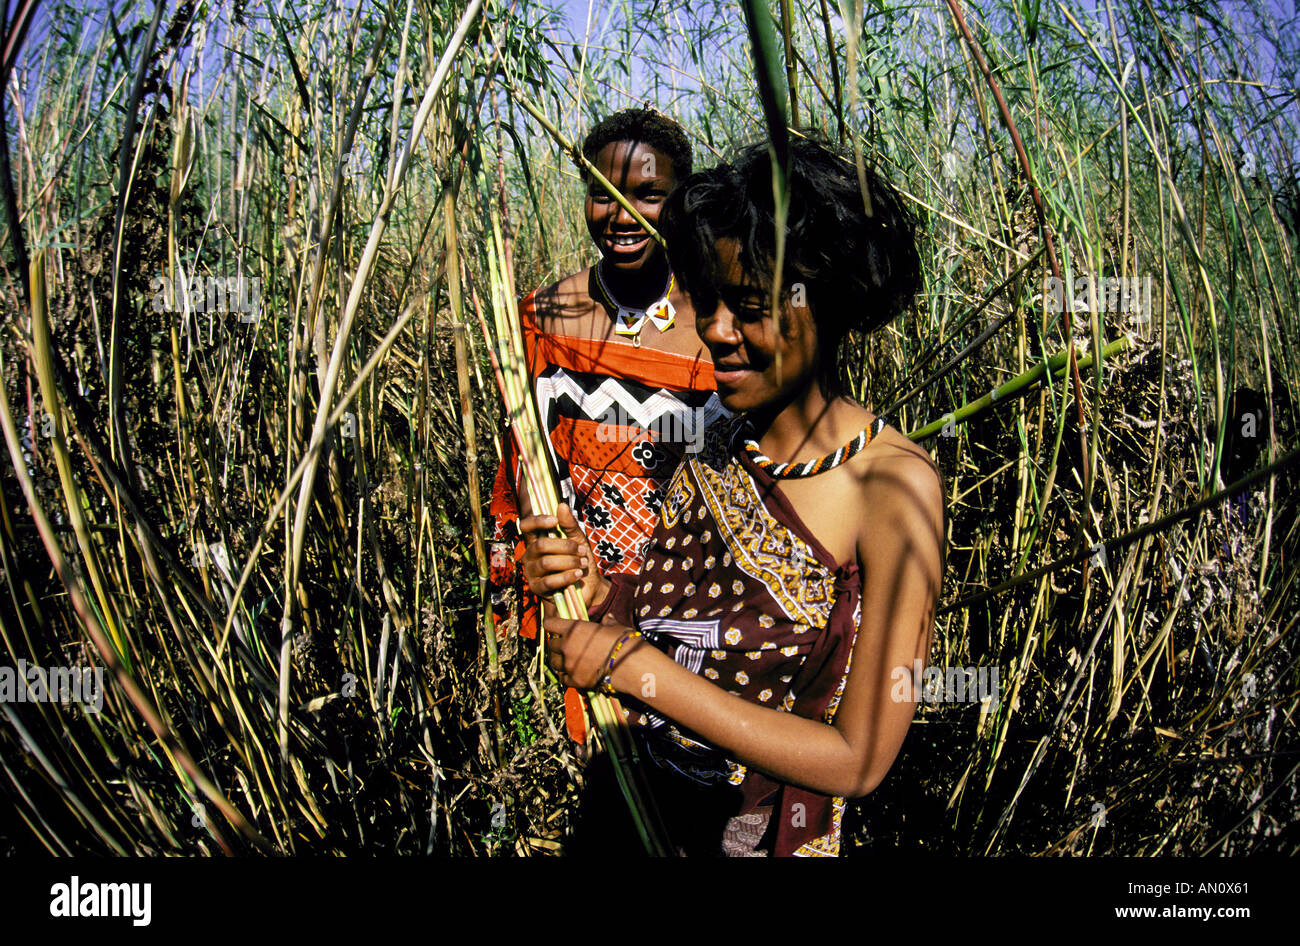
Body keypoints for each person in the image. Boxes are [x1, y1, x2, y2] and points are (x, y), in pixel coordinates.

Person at [521, 136, 946, 856]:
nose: (715, 331)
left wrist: (634, 670)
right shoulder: (718, 444)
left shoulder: (894, 489)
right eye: (709, 301)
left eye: (748, 308)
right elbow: (668, 626)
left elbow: (861, 758)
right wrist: (592, 592)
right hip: (633, 820)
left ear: (827, 303)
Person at [488, 109, 727, 735]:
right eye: (603, 193)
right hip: (577, 608)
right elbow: (519, 484)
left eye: (648, 194)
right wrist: (540, 567)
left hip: (694, 619)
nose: (623, 216)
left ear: (680, 200)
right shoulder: (542, 318)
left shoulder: (719, 325)